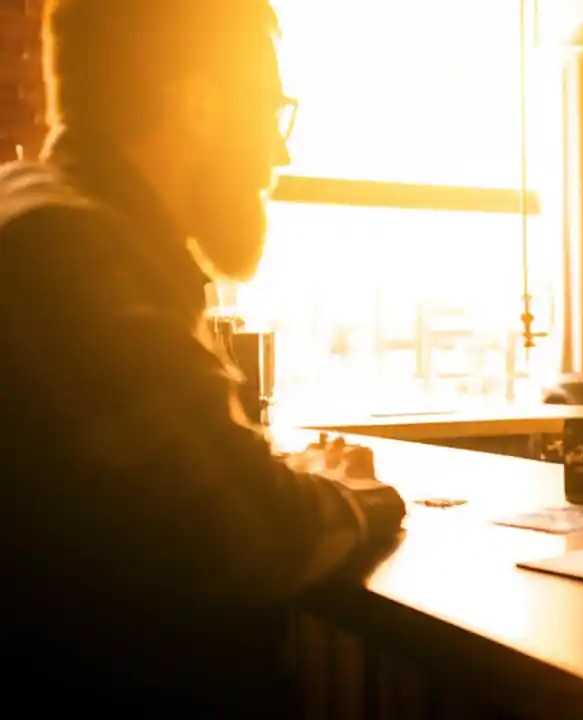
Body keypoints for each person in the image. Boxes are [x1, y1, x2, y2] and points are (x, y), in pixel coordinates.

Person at [0, 1, 405, 713]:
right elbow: (243, 535)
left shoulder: (39, 212)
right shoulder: (65, 250)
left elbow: (165, 494)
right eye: (268, 111)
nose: (279, 156)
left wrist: (285, 479)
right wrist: (358, 498)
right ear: (195, 102)